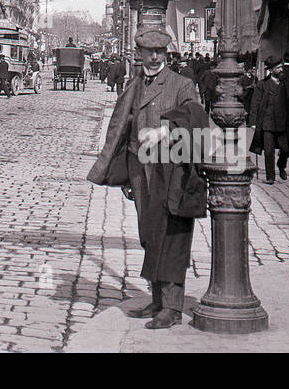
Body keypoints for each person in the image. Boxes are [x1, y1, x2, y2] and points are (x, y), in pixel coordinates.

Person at [86, 28, 207, 330]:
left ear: (166, 54)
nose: (154, 57)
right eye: (148, 52)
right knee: (149, 234)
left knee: (172, 236)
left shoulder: (182, 85)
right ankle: (157, 298)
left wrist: (164, 136)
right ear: (138, 54)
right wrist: (127, 174)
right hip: (141, 173)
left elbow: (194, 126)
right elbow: (126, 129)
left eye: (160, 52)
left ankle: (172, 307)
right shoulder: (134, 84)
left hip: (171, 172)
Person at [248, 55, 289, 184]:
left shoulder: (285, 84)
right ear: (271, 70)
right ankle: (270, 177)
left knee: (286, 149)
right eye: (278, 68)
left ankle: (281, 165)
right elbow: (255, 103)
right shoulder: (262, 85)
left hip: (283, 122)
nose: (281, 69)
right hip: (267, 122)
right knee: (269, 150)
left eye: (281, 67)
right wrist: (253, 121)